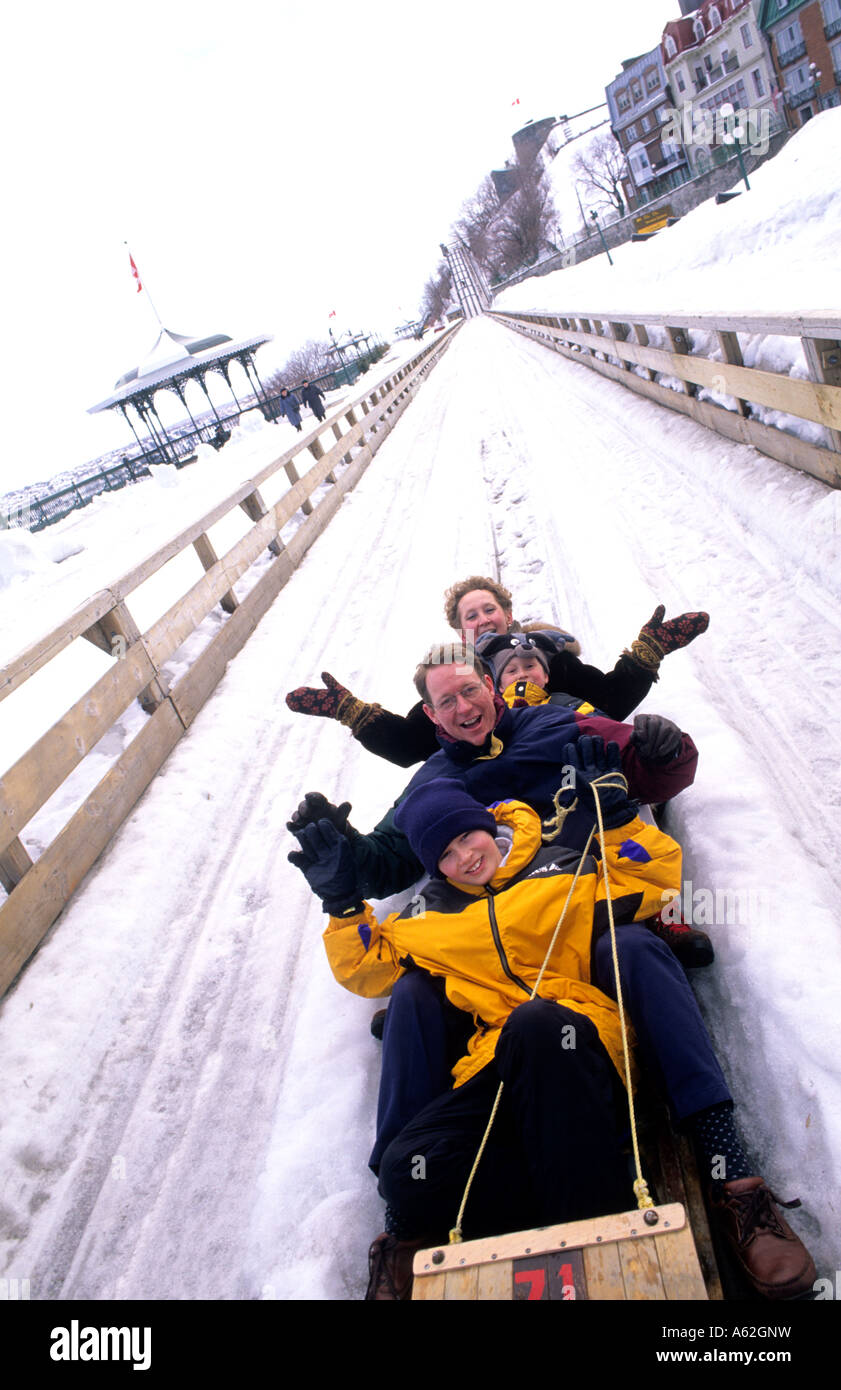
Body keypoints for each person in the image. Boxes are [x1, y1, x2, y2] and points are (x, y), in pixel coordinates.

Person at [289, 741, 817, 1303]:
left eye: (467, 836)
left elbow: (649, 884)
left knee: (540, 1024)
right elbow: (367, 970)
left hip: (581, 1049)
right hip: (501, 1077)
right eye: (444, 854)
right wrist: (342, 901)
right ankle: (490, 1223)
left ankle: (604, 1242)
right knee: (407, 1169)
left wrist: (616, 823)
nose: (465, 857)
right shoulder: (429, 917)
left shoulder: (559, 864)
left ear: (485, 824)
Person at [289, 642, 700, 903]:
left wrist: (667, 753)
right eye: (447, 701)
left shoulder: (555, 723)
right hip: (497, 921)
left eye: (469, 691)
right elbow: (390, 862)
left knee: (632, 953)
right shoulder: (433, 783)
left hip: (591, 892)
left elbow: (649, 777)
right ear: (430, 714)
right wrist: (344, 853)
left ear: (489, 686)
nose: (465, 708)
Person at [285, 574, 709, 763]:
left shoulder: (543, 657)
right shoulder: (457, 678)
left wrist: (648, 651)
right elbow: (410, 745)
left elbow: (612, 700)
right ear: (459, 629)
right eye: (471, 615)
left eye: (490, 608)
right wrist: (352, 712)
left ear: (507, 613)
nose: (483, 619)